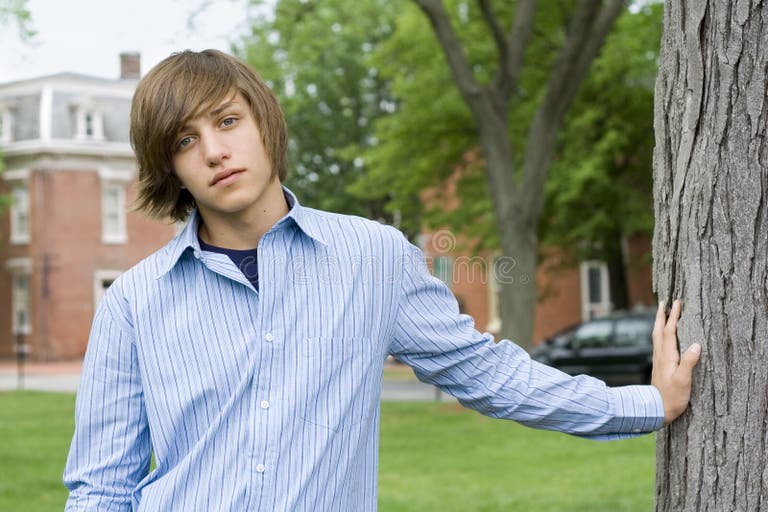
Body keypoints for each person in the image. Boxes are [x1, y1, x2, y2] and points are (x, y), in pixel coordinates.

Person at [63, 49, 701, 511]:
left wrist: (645, 404)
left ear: (262, 123)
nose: (214, 151)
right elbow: (101, 487)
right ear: (170, 166)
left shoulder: (372, 257)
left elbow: (490, 373)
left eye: (227, 122)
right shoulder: (135, 302)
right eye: (185, 139)